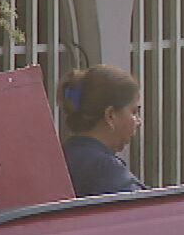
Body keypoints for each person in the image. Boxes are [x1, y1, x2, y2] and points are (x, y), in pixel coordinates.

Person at [59, 65, 147, 197]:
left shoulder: (61, 157)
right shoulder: (107, 170)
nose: (138, 122)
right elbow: (143, 211)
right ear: (110, 115)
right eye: (133, 112)